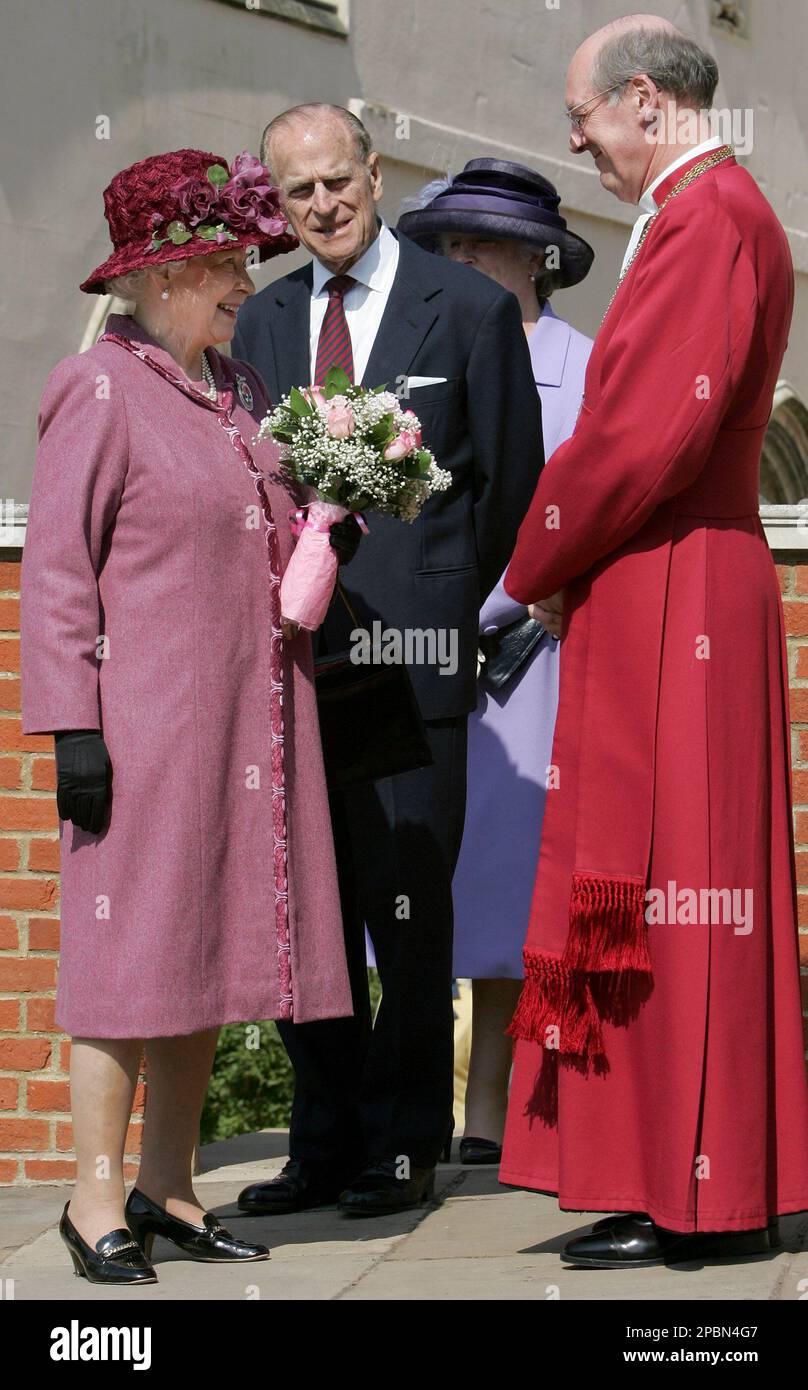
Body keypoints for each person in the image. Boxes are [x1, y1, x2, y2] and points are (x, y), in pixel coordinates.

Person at [499, 15, 808, 1266]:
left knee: (680, 884)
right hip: (667, 577)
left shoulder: (703, 216)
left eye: (580, 115)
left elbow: (641, 436)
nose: (575, 138)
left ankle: (700, 1191)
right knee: (653, 882)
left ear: (642, 98)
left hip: (676, 576)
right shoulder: (710, 209)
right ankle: (669, 1172)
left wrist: (530, 562)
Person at [20, 148, 355, 1284]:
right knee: (127, 959)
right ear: (165, 278)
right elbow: (59, 570)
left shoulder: (241, 394)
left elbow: (262, 542)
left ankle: (169, 1184)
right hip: (146, 725)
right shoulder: (99, 389)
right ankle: (91, 1199)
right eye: (225, 271)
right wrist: (73, 728)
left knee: (202, 952)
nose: (242, 293)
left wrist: (328, 532)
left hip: (249, 721)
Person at [232, 104, 543, 1218]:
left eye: (337, 180)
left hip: (412, 655)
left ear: (374, 170)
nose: (322, 204)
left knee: (406, 904)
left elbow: (509, 484)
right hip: (293, 664)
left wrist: (439, 597)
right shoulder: (260, 319)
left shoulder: (463, 308)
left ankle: (404, 1147)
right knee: (303, 904)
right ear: (277, 198)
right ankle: (322, 1141)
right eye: (298, 190)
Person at [397, 161, 593, 1163]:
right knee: (430, 879)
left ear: (536, 258)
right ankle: (434, 1112)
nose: (458, 260)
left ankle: (511, 1114)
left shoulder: (592, 369)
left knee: (523, 883)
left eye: (477, 243)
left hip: (544, 664)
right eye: (446, 245)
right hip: (427, 657)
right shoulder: (422, 359)